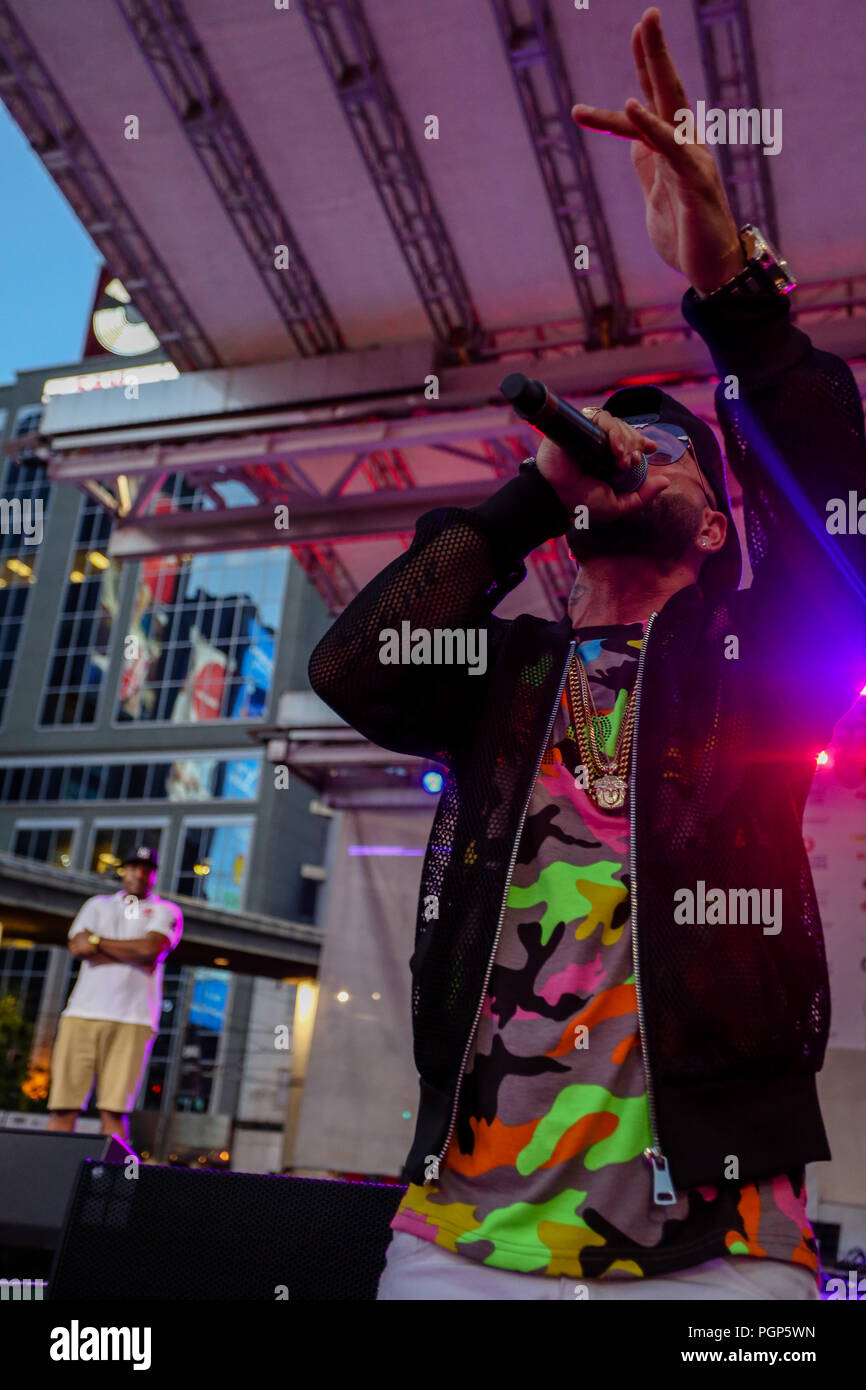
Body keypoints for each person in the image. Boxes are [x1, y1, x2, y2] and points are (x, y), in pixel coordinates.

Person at [308, 7, 865, 1300]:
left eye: (667, 444)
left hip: (720, 1254)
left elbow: (840, 502)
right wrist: (530, 493)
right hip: (464, 1243)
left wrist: (732, 300)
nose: (631, 444)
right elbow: (355, 666)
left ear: (716, 524)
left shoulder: (754, 671)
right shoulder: (500, 680)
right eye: (615, 434)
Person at [46, 847, 183, 1145]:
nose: (139, 874)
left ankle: (113, 1173)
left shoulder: (166, 910)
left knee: (114, 1112)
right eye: (134, 867)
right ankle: (50, 1168)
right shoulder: (98, 905)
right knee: (63, 1107)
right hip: (82, 1014)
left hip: (134, 1019)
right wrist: (130, 952)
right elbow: (78, 947)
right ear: (124, 871)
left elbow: (150, 950)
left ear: (154, 875)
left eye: (146, 869)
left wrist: (97, 942)